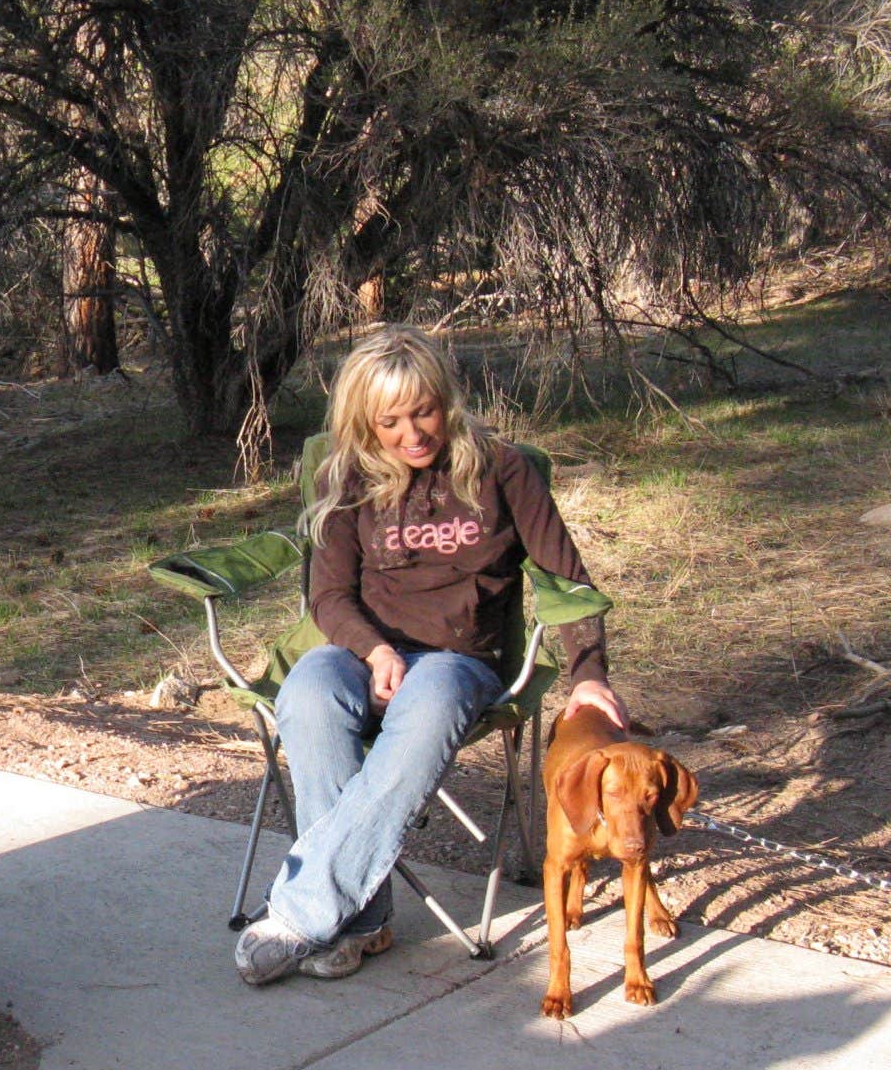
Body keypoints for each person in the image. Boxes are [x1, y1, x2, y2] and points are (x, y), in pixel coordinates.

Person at [235, 324, 626, 986]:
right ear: (365, 422)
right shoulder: (347, 477)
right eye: (390, 421)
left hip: (459, 660)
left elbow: (568, 578)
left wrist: (589, 675)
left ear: (447, 399)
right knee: (307, 688)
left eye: (425, 411)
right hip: (366, 650)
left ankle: (303, 914)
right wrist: (376, 651)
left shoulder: (504, 469)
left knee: (432, 692)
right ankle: (362, 922)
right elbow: (329, 598)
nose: (412, 434)